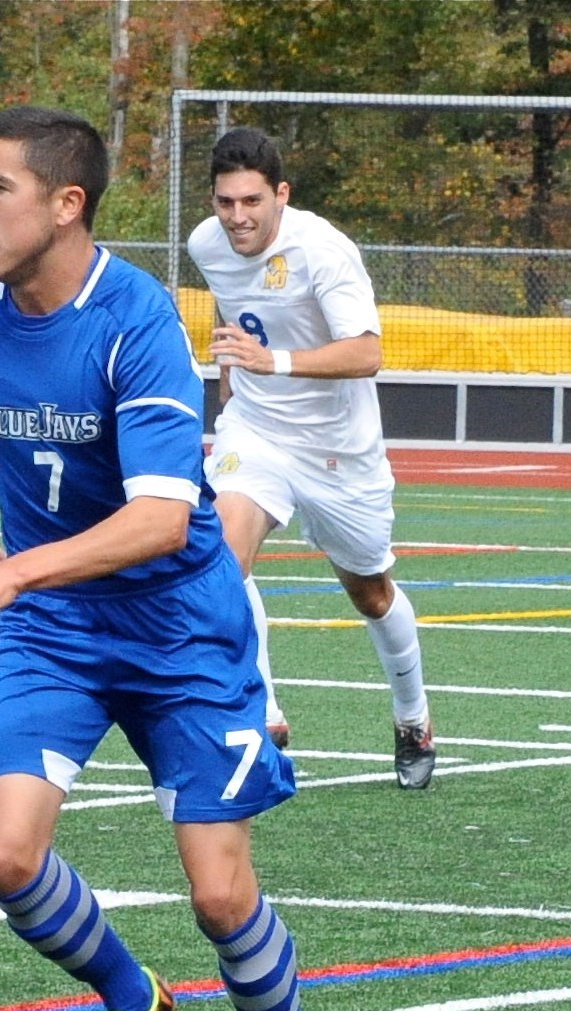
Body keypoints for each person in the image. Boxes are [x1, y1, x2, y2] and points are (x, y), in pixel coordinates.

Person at [0, 106, 334, 1011]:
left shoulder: (136, 318)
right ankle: (130, 996)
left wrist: (3, 569)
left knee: (219, 894)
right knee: (3, 851)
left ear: (67, 204)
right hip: (60, 622)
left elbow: (158, 516)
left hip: (179, 619)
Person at [187, 126, 435, 789]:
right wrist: (237, 383)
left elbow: (367, 353)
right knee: (218, 555)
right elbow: (238, 320)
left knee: (371, 591)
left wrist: (276, 361)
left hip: (339, 453)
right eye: (225, 202)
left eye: (251, 202)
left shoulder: (324, 250)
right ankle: (262, 711)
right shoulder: (206, 244)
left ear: (281, 195)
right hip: (257, 432)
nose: (237, 218)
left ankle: (413, 716)